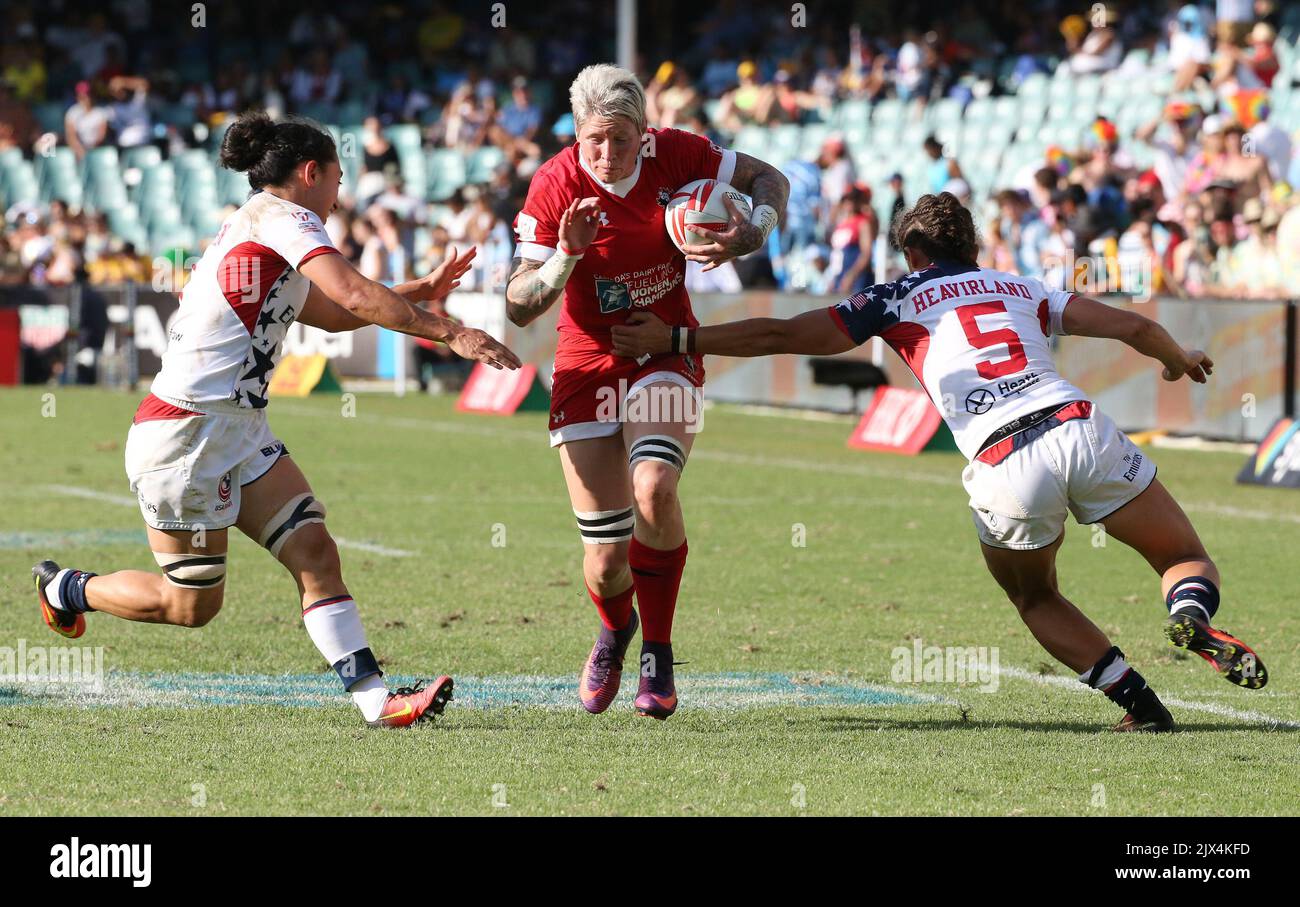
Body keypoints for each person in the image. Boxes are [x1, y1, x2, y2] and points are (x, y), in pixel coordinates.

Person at [612, 191, 1269, 732]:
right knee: (1183, 556)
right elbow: (1130, 326)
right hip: (1078, 423)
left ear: (913, 253)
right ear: (973, 247)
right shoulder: (1021, 286)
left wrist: (677, 337)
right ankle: (1191, 614)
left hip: (1004, 458)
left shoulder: (894, 297)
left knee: (1034, 594)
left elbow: (784, 333)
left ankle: (1143, 707)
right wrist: (1176, 357)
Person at [32, 112, 521, 729]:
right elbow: (352, 295)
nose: (342, 193)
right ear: (310, 173)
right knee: (188, 605)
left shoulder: (266, 224)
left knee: (314, 549)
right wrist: (452, 331)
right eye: (338, 178)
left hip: (236, 429)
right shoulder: (285, 218)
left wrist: (420, 289)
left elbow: (333, 311)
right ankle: (67, 590)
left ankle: (379, 703)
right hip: (185, 435)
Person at [505, 64, 789, 720]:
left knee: (655, 486)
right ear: (578, 133)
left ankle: (657, 653)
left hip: (664, 347)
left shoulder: (679, 152)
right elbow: (520, 306)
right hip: (586, 359)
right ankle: (616, 630)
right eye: (596, 139)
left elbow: (768, 177)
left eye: (623, 138)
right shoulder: (555, 182)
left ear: (645, 131)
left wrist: (757, 227)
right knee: (605, 561)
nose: (609, 154)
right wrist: (565, 256)